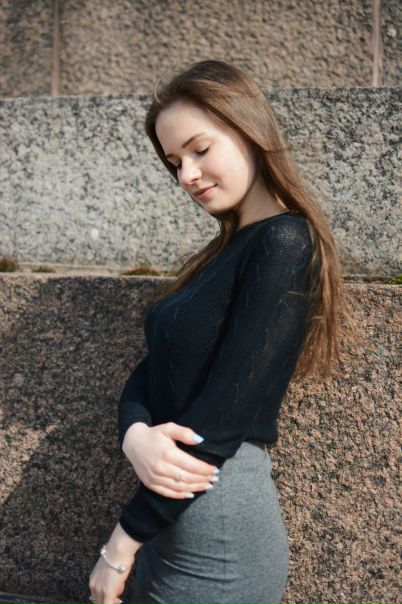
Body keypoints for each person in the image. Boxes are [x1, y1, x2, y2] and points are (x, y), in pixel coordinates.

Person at [89, 59, 356, 604]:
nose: (187, 175)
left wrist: (121, 543)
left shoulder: (285, 243)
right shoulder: (225, 252)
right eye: (175, 162)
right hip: (169, 512)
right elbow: (153, 368)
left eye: (200, 149)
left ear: (249, 131)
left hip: (217, 523)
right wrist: (134, 434)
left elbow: (225, 414)